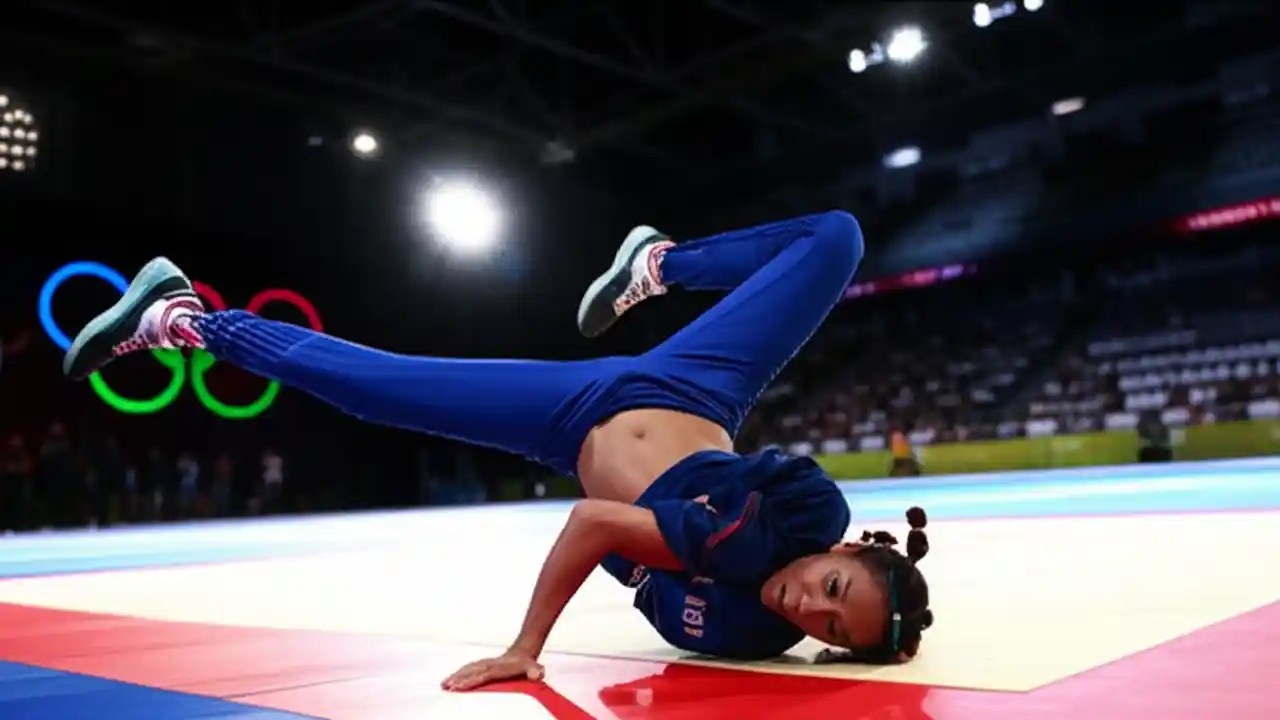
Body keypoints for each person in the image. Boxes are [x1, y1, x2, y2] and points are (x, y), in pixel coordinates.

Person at [61, 211, 933, 690]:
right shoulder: (817, 514)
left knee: (377, 387)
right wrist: (528, 645)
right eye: (831, 588)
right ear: (850, 551)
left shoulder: (746, 630)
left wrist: (667, 563)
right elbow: (606, 525)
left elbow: (607, 534)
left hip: (566, 421)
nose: (805, 604)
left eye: (826, 628)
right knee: (839, 241)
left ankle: (181, 317)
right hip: (697, 388)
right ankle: (662, 266)